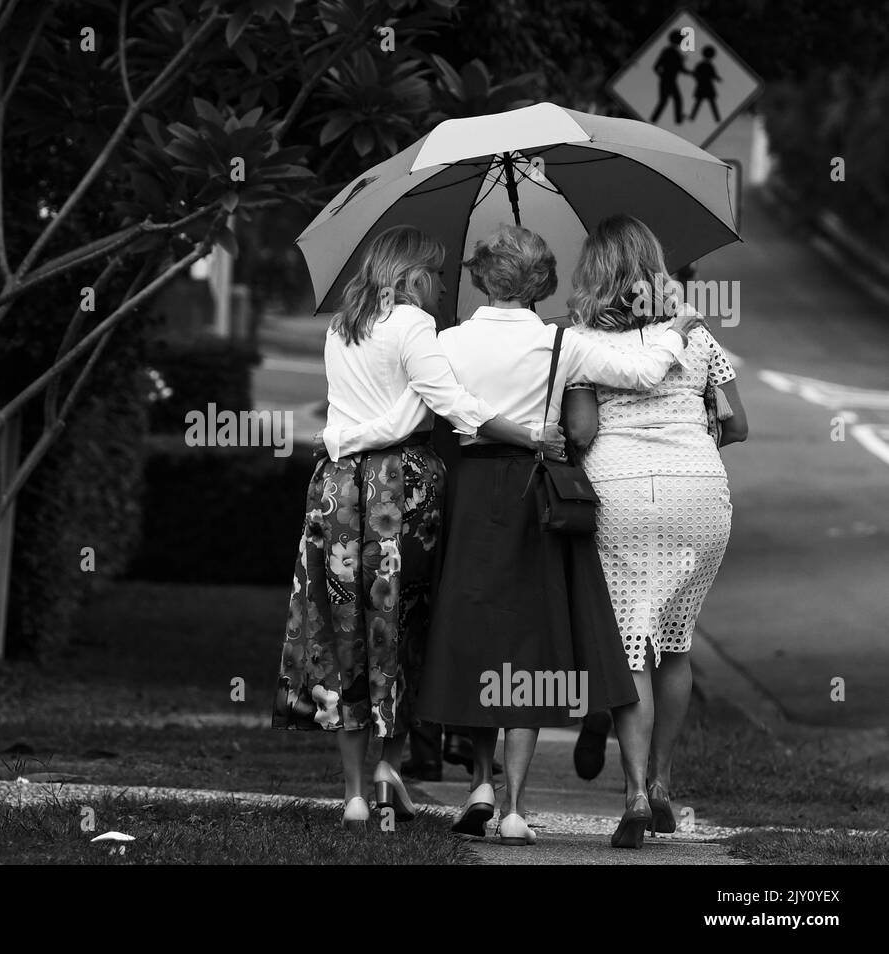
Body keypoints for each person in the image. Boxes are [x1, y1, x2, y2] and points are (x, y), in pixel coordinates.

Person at [321, 224, 705, 845]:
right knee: (524, 643)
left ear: (479, 278)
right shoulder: (562, 342)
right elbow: (639, 373)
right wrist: (679, 329)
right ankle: (516, 805)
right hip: (535, 494)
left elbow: (431, 407)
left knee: (474, 633)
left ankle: (476, 780)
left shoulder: (446, 340)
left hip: (469, 492)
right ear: (544, 282)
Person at [272, 225, 565, 832]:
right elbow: (455, 403)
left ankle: (355, 792)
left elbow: (346, 411)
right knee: (404, 627)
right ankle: (391, 765)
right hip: (398, 486)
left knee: (344, 628)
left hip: (333, 490)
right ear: (410, 277)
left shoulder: (342, 324)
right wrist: (531, 435)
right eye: (432, 277)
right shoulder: (413, 326)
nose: (438, 289)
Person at [563, 214, 747, 847]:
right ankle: (665, 782)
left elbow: (582, 431)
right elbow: (738, 424)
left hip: (622, 497)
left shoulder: (584, 342)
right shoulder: (695, 335)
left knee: (630, 643)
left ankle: (635, 791)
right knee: (676, 642)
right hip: (700, 493)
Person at [651, 29, 689, 125]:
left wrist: (662, 76)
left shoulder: (668, 51)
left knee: (666, 100)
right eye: (681, 40)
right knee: (673, 100)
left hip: (667, 80)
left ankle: (654, 119)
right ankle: (677, 120)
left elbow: (656, 67)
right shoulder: (674, 53)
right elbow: (681, 69)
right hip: (669, 81)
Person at [689, 46, 722, 122]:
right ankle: (717, 118)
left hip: (703, 86)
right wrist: (717, 79)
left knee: (705, 103)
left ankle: (692, 117)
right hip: (706, 86)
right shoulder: (707, 65)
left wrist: (717, 78)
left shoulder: (702, 65)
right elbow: (713, 75)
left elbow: (695, 74)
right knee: (705, 103)